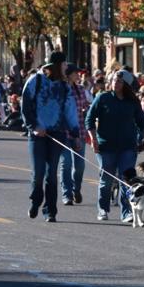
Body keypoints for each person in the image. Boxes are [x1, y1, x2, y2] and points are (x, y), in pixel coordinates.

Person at [20, 51, 81, 223]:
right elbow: (25, 105)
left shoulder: (65, 87)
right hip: (38, 134)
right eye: (63, 65)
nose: (66, 68)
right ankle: (36, 199)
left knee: (51, 174)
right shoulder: (36, 81)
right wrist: (33, 126)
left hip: (57, 133)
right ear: (56, 65)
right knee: (38, 172)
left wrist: (75, 135)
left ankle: (50, 211)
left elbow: (70, 111)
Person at [85, 69, 144, 222]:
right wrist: (93, 139)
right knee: (107, 178)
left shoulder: (132, 101)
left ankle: (126, 212)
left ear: (126, 84)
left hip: (128, 146)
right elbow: (89, 119)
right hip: (105, 146)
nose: (115, 83)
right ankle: (102, 209)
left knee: (126, 179)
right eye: (113, 80)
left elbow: (141, 121)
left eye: (119, 81)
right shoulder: (102, 98)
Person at [59, 64, 91, 206]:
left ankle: (76, 189)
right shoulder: (61, 89)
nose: (78, 75)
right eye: (76, 73)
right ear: (69, 75)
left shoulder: (80, 89)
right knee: (66, 163)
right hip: (64, 132)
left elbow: (85, 108)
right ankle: (67, 194)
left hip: (79, 131)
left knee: (79, 166)